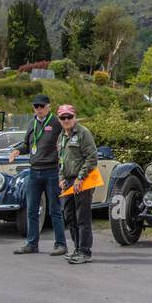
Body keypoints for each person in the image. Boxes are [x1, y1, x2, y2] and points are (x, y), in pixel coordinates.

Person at [9, 94, 68, 256]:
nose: (39, 109)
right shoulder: (32, 123)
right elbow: (27, 144)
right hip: (34, 170)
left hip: (52, 170)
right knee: (32, 209)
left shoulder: (56, 123)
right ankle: (31, 243)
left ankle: (61, 244)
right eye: (36, 107)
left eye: (42, 106)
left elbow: (66, 139)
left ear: (48, 107)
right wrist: (18, 150)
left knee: (55, 209)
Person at [55, 104, 99, 264]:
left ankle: (85, 251)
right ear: (59, 119)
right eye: (63, 118)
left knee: (82, 217)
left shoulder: (83, 133)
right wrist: (61, 177)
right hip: (67, 181)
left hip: (82, 180)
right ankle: (76, 247)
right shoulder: (61, 136)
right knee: (69, 216)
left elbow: (92, 157)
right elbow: (61, 160)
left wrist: (80, 178)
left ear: (74, 117)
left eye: (69, 117)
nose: (66, 120)